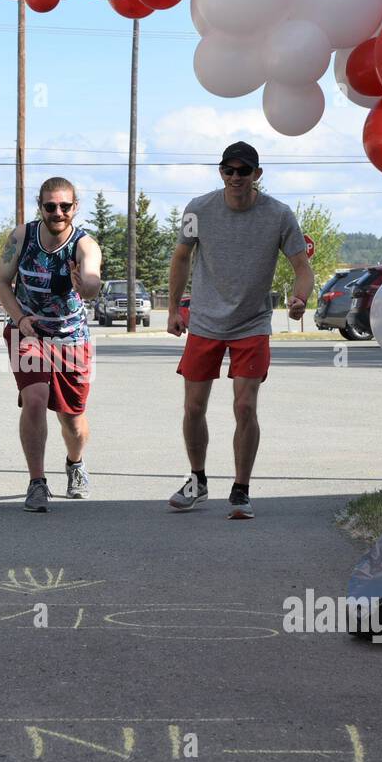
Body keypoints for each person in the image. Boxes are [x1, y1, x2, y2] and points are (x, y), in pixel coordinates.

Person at [166, 141, 314, 519]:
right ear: (221, 173)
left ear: (257, 175)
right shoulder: (198, 209)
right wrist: (173, 309)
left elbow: (302, 266)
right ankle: (197, 481)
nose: (235, 177)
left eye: (243, 171)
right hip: (204, 321)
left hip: (252, 322)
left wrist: (300, 299)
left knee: (245, 406)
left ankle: (241, 489)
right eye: (228, 170)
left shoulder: (279, 215)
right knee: (193, 407)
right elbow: (181, 257)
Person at [0, 177, 102, 512]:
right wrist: (20, 318)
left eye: (65, 206)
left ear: (75, 207)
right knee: (35, 400)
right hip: (29, 332)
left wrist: (83, 284)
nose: (58, 212)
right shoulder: (22, 237)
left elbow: (92, 284)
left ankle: (75, 462)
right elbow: (1, 280)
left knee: (72, 419)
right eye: (50, 206)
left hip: (71, 338)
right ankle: (37, 482)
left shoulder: (84, 245)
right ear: (39, 206)